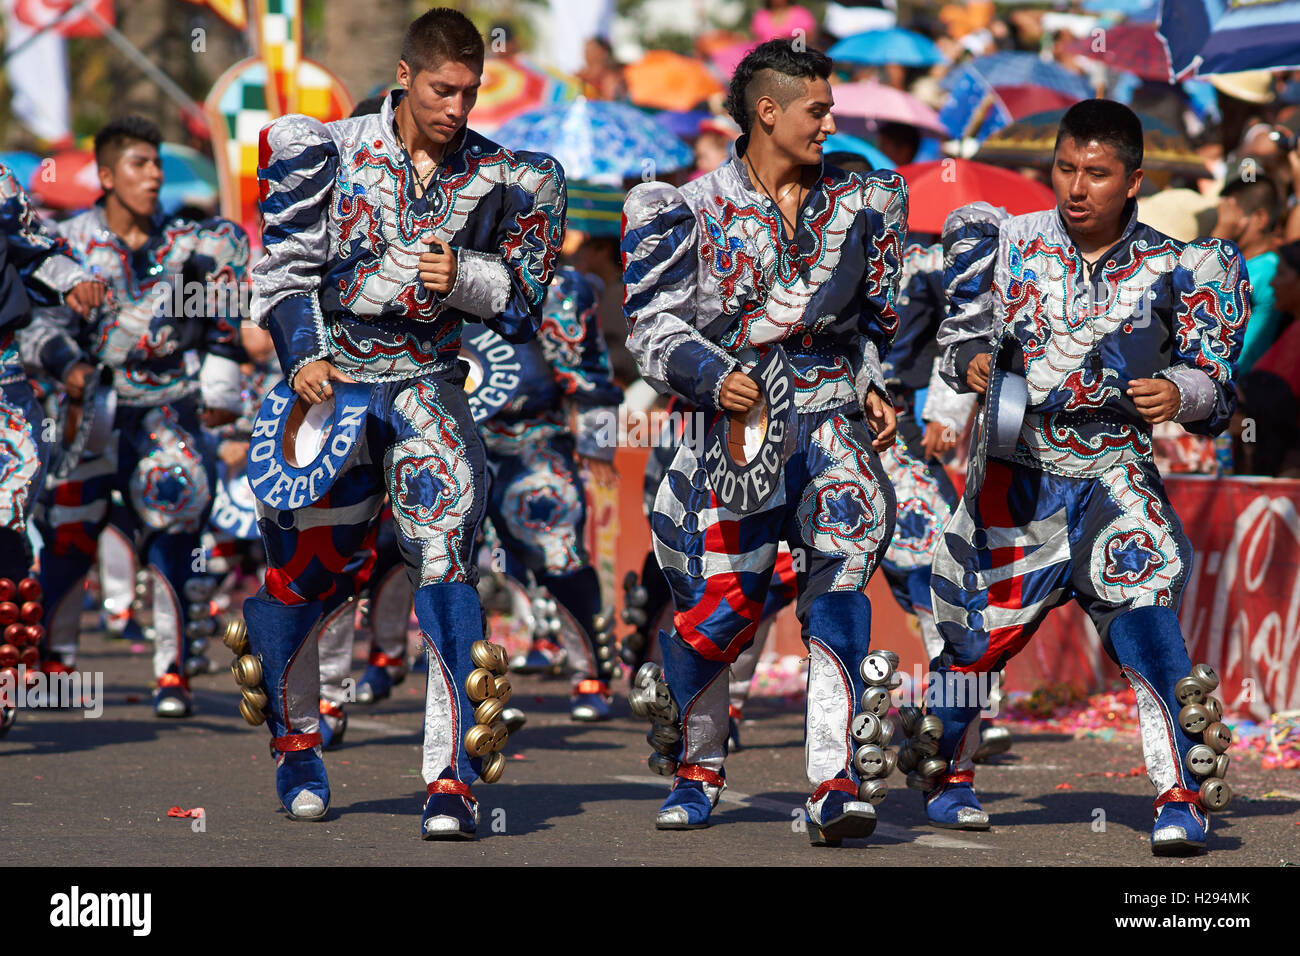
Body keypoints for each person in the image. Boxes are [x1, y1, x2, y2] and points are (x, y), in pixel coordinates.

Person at [245, 8, 565, 839]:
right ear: (403, 74)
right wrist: (301, 355)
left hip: (429, 383)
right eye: (441, 89)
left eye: (470, 91)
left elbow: (528, 310)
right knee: (306, 579)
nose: (457, 107)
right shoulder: (329, 151)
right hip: (334, 386)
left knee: (444, 567)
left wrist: (466, 275)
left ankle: (451, 779)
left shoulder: (509, 179)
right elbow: (278, 272)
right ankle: (297, 744)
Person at [932, 100, 1247, 855]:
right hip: (1018, 476)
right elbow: (955, 341)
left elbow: (1219, 386)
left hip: (1115, 477)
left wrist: (1182, 392)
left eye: (1098, 174)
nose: (1077, 187)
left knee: (1146, 618)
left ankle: (1180, 794)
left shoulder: (1183, 265)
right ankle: (946, 774)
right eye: (1066, 168)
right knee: (977, 644)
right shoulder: (1000, 244)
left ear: (1133, 180)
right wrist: (973, 363)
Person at [621, 39, 905, 843]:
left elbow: (877, 322)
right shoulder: (685, 207)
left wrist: (876, 383)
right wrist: (715, 377)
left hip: (832, 426)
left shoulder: (868, 203)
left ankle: (834, 777)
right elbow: (650, 330)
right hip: (731, 432)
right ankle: (698, 764)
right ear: (767, 111)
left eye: (832, 109)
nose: (831, 123)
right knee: (723, 610)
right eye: (818, 110)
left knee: (840, 588)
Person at [21, 116, 247, 719]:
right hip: (86, 407)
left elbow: (222, 321)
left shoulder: (191, 248)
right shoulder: (65, 244)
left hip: (168, 407)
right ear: (105, 174)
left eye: (156, 164)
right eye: (139, 164)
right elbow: (36, 321)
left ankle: (172, 672)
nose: (152, 175)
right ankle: (54, 661)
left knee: (175, 525)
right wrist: (67, 366)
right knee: (69, 531)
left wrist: (223, 373)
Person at [0, 164, 104, 737]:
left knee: (7, 517)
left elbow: (35, 249)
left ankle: (7, 668)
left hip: (4, 381)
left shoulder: (0, 186)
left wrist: (71, 281)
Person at [1213, 172, 1281, 372]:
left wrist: (1222, 230)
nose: (1225, 219)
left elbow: (1193, 290)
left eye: (1231, 213)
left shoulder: (1268, 269)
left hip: (1238, 381)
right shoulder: (1239, 263)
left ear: (1259, 218)